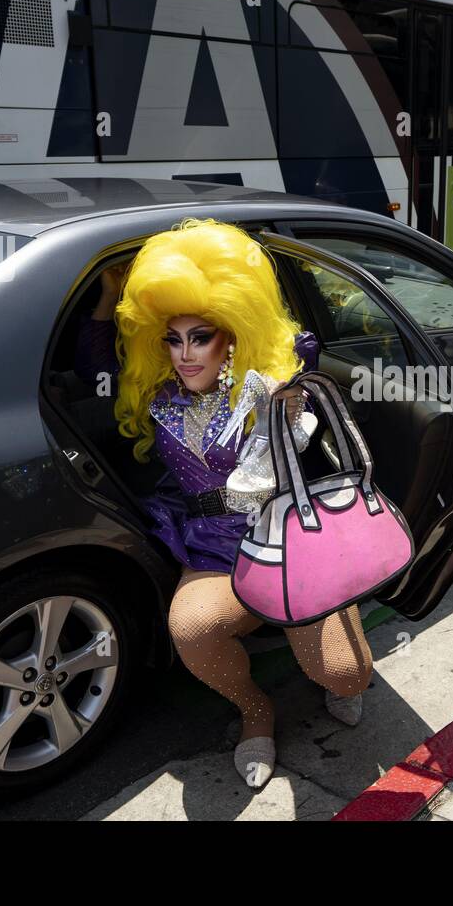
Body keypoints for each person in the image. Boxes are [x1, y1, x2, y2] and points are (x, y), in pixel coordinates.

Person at [74, 218, 374, 790]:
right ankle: (255, 711)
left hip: (289, 547)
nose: (185, 354)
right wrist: (110, 297)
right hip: (213, 550)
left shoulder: (269, 390)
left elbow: (292, 376)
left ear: (232, 334)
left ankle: (339, 610)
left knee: (345, 675)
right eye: (173, 337)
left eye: (201, 336)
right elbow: (96, 369)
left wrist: (282, 404)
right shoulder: (158, 392)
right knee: (191, 629)